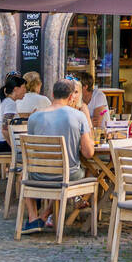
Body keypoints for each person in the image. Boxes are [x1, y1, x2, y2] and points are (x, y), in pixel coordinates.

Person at [20, 79, 95, 235]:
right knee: (72, 172)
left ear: (52, 94)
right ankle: (46, 214)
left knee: (24, 173)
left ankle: (34, 218)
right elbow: (89, 153)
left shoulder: (34, 117)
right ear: (70, 97)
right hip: (68, 175)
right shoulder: (78, 116)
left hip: (37, 174)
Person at [0, 74, 26, 153]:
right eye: (24, 87)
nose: (26, 90)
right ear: (16, 89)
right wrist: (14, 148)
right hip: (0, 144)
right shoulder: (10, 103)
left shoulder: (2, 99)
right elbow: (5, 129)